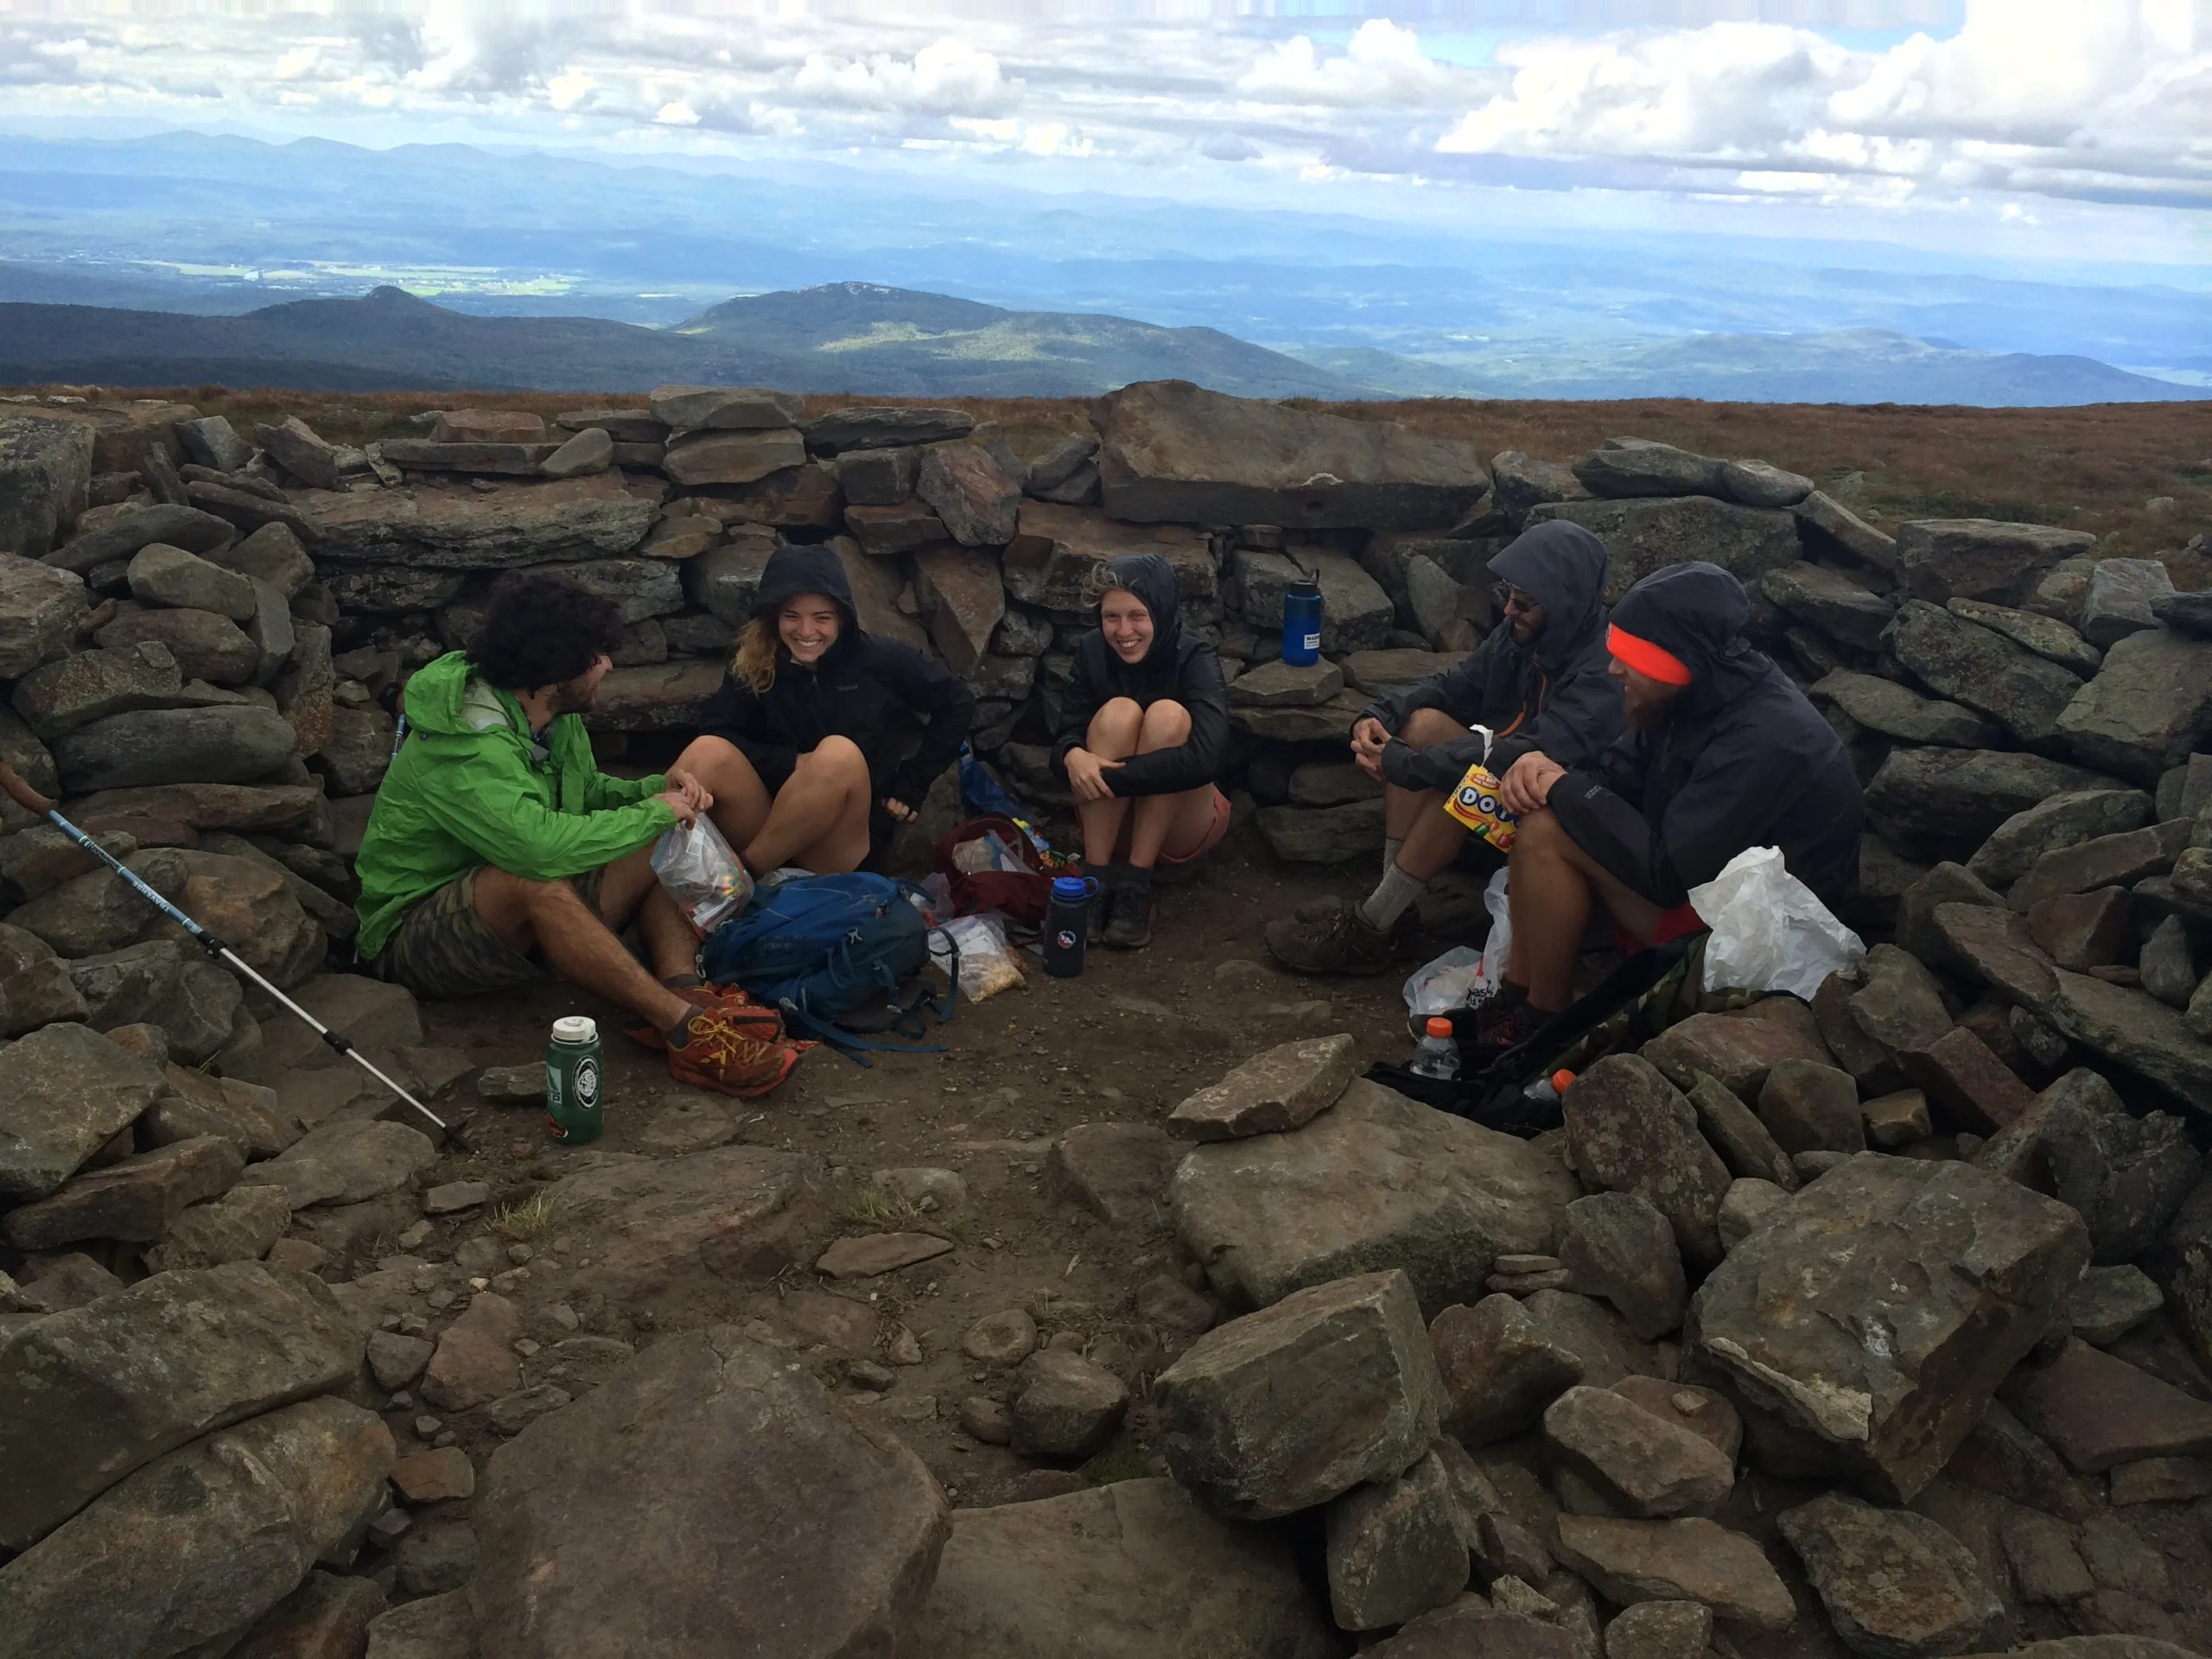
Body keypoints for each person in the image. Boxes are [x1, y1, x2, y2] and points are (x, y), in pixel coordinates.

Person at [353, 573, 804, 1098]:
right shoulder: (465, 744)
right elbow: (537, 851)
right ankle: (682, 1029)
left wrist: (658, 792)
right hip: (413, 934)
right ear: (552, 670)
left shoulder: (546, 714)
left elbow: (584, 790)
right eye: (596, 656)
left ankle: (684, 987)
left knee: (670, 826)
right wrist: (653, 811)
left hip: (506, 908)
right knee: (533, 879)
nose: (608, 665)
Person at [1472, 560, 1864, 1052]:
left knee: (1548, 830)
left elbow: (1668, 871)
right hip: (1701, 893)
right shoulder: (1682, 700)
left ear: (1681, 657)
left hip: (1760, 936)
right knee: (1545, 814)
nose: (1614, 667)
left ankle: (1543, 1017)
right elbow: (1613, 777)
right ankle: (1516, 999)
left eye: (1633, 656)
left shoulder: (1767, 737)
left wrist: (1564, 788)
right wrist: (1549, 776)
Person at [1266, 520, 1623, 974]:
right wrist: (1379, 714)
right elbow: (1454, 685)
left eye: (1525, 603)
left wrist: (1410, 765)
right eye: (1508, 596)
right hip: (1510, 785)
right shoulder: (1522, 634)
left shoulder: (1604, 671)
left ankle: (1371, 929)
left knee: (1469, 782)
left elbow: (1530, 749)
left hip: (1564, 818)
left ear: (1565, 604)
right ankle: (1394, 911)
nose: (1509, 610)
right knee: (1423, 723)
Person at [673, 543, 974, 878]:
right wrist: (788, 762)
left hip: (839, 842)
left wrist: (912, 784)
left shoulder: (880, 660)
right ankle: (629, 879)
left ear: (843, 618)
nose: (806, 631)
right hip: (769, 819)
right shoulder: (754, 661)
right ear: (773, 617)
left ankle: (740, 880)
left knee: (838, 753)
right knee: (706, 752)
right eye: (792, 616)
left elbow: (957, 702)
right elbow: (716, 730)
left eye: (822, 618)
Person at [1053, 552, 1231, 949]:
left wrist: (1110, 777)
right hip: (1110, 822)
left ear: (1162, 611)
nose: (1123, 630)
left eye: (1137, 616)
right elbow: (1066, 734)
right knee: (1119, 713)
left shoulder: (1194, 655)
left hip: (1181, 824)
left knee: (1168, 716)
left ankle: (1136, 885)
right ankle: (1095, 882)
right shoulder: (1091, 651)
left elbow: (1208, 757)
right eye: (1111, 617)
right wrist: (1072, 754)